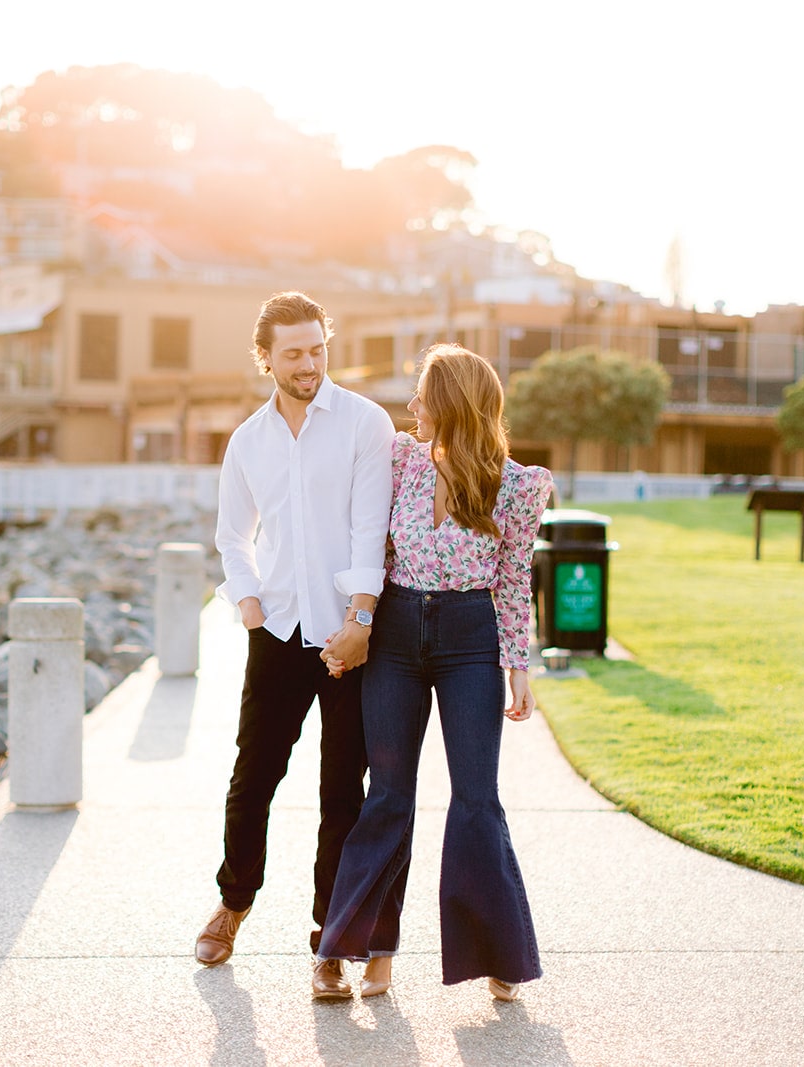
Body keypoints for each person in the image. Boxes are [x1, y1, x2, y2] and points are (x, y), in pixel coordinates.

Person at [318, 343, 553, 1002]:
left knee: (477, 797)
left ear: (451, 403)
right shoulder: (399, 459)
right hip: (395, 635)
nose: (413, 404)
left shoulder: (518, 485)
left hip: (469, 639)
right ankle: (367, 950)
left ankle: (499, 953)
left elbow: (514, 579)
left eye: (423, 393)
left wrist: (518, 666)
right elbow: (365, 538)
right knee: (388, 796)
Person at [195, 291, 395, 1001]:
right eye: (294, 354)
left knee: (342, 790)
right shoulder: (248, 441)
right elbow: (232, 535)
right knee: (254, 777)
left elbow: (371, 528)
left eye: (317, 349)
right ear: (266, 359)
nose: (309, 364)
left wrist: (361, 619)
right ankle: (234, 901)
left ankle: (331, 941)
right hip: (277, 633)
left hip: (350, 635)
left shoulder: (366, 423)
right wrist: (249, 606)